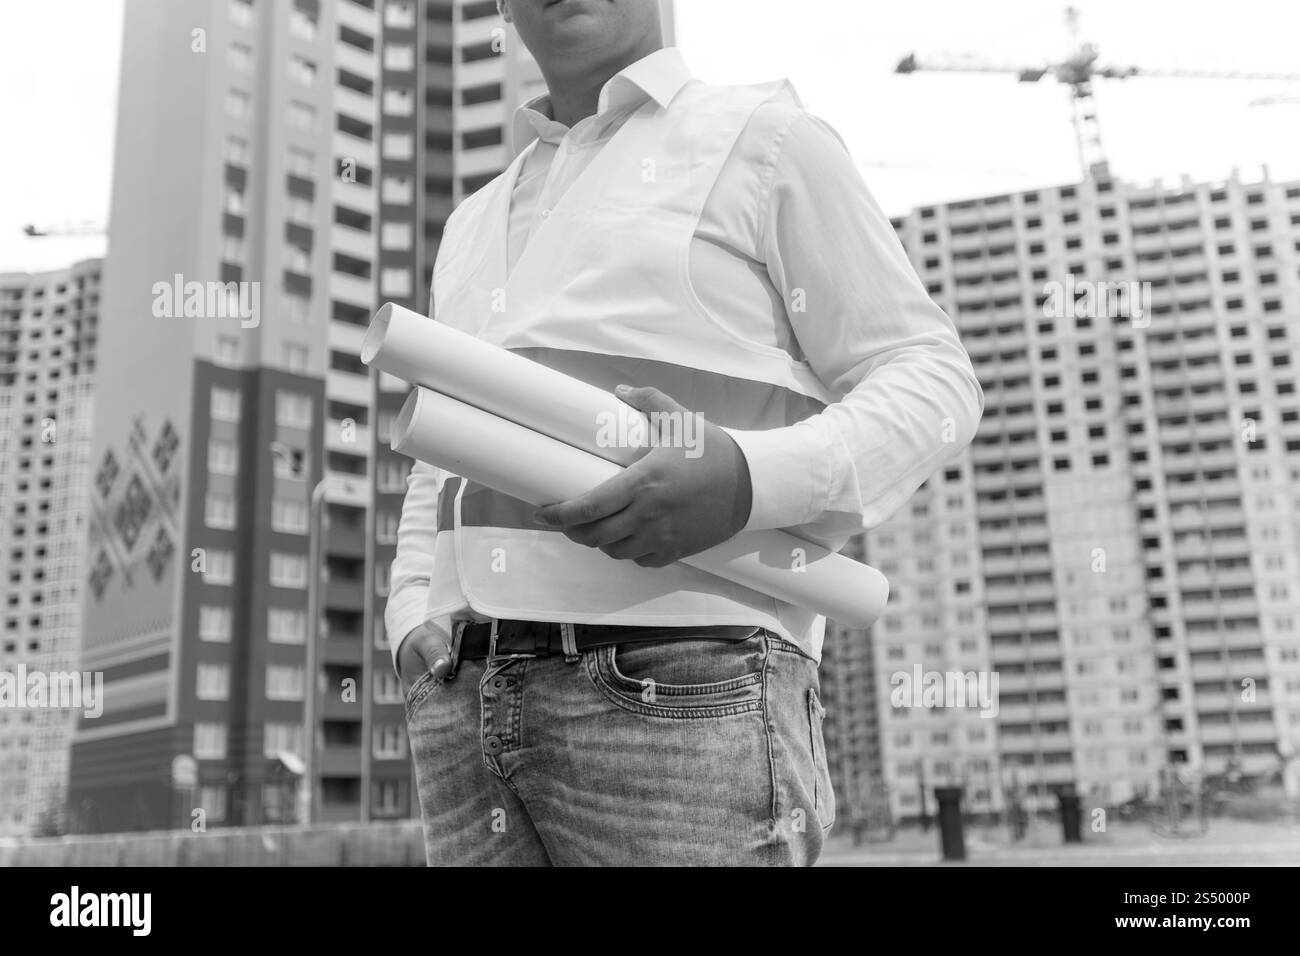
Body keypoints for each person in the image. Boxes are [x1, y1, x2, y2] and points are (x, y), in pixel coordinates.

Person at [386, 0, 983, 865]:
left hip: (688, 680)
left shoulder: (766, 141)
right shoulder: (471, 224)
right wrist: (412, 611)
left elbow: (932, 378)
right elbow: (446, 447)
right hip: (465, 697)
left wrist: (744, 479)